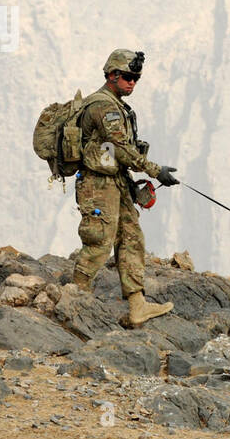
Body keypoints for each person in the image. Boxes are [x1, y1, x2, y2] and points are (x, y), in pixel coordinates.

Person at [69, 49, 181, 326]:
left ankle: (137, 305)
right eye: (128, 77)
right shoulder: (103, 106)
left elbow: (116, 153)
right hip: (97, 184)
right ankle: (72, 296)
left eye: (136, 79)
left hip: (114, 181)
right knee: (99, 241)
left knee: (131, 238)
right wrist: (157, 171)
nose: (132, 83)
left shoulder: (117, 105)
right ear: (112, 75)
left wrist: (131, 186)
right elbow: (119, 148)